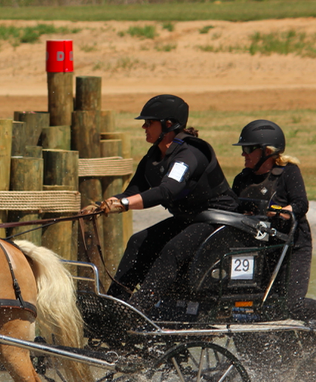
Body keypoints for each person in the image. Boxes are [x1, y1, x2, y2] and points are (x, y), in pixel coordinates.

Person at [82, 94, 237, 312]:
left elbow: (166, 191)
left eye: (149, 122)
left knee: (172, 249)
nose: (144, 127)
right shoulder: (154, 156)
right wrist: (100, 205)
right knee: (137, 241)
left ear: (168, 124)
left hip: (217, 221)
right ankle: (113, 305)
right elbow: (133, 191)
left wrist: (124, 204)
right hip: (189, 220)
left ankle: (138, 309)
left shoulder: (189, 153)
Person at [231, 119, 316, 321]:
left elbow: (300, 204)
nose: (243, 154)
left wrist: (282, 211)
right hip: (261, 250)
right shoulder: (241, 179)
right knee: (257, 305)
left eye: (248, 149)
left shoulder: (288, 173)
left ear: (267, 151)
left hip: (293, 247)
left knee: (291, 306)